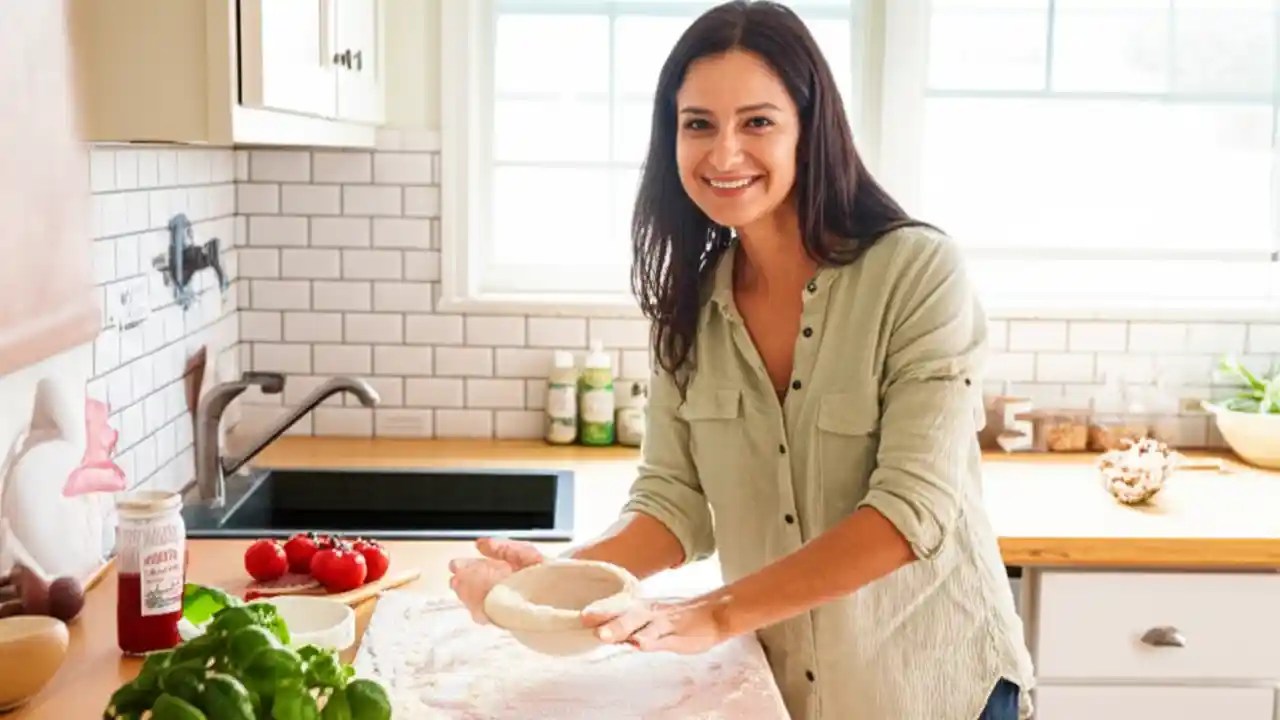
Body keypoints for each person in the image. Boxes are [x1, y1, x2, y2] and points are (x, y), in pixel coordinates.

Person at [448, 1, 1036, 717]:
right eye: (698, 124)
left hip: (936, 692)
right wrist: (546, 589)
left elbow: (910, 513)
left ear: (809, 130)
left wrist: (716, 613)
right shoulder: (690, 308)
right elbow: (674, 506)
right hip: (782, 694)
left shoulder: (915, 271)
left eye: (757, 121)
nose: (723, 154)